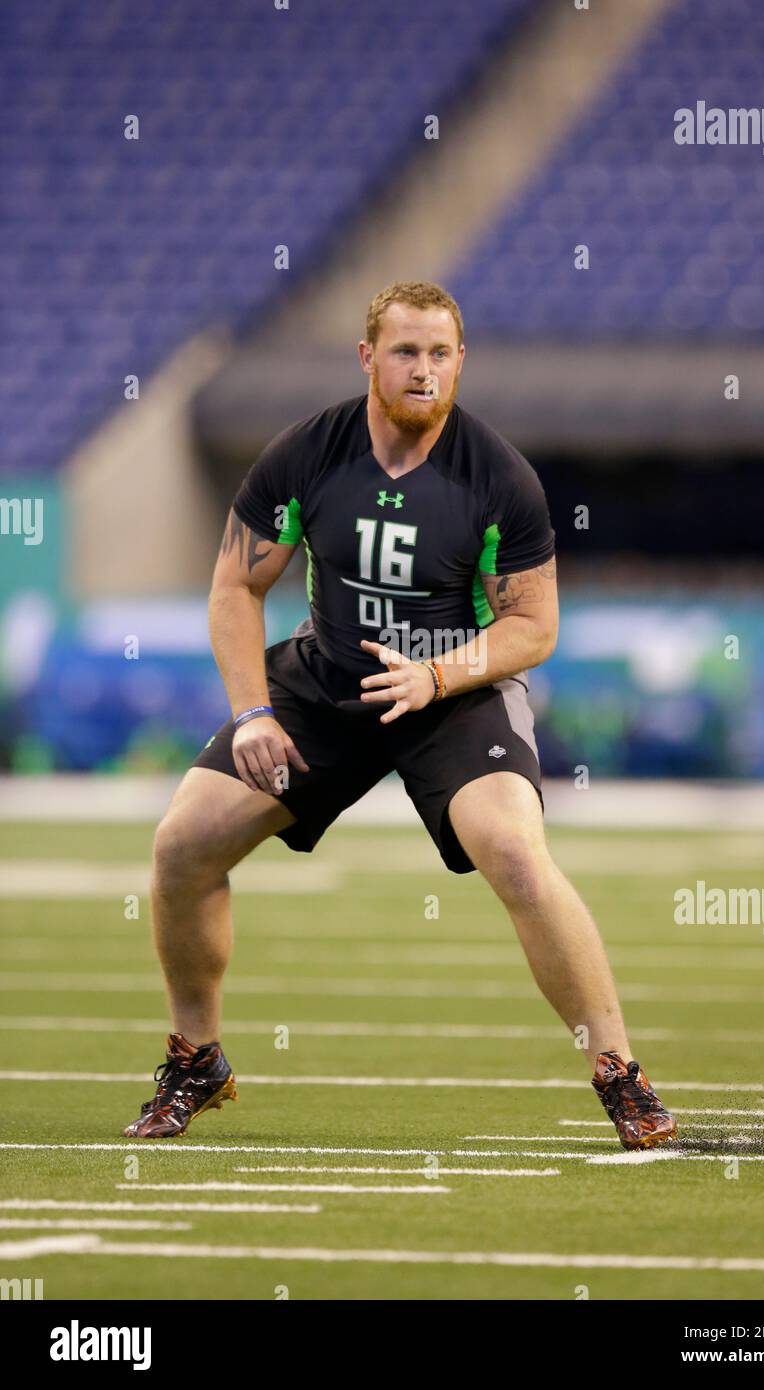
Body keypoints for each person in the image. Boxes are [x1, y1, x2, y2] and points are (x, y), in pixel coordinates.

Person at [123, 280, 677, 1152]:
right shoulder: (306, 453)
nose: (425, 371)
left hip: (452, 692)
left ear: (463, 361)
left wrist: (436, 676)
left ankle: (621, 1075)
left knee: (517, 856)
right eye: (407, 351)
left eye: (442, 353)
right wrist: (252, 712)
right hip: (327, 683)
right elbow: (236, 585)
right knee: (183, 843)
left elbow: (534, 627)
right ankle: (196, 1058)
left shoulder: (499, 477)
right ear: (367, 357)